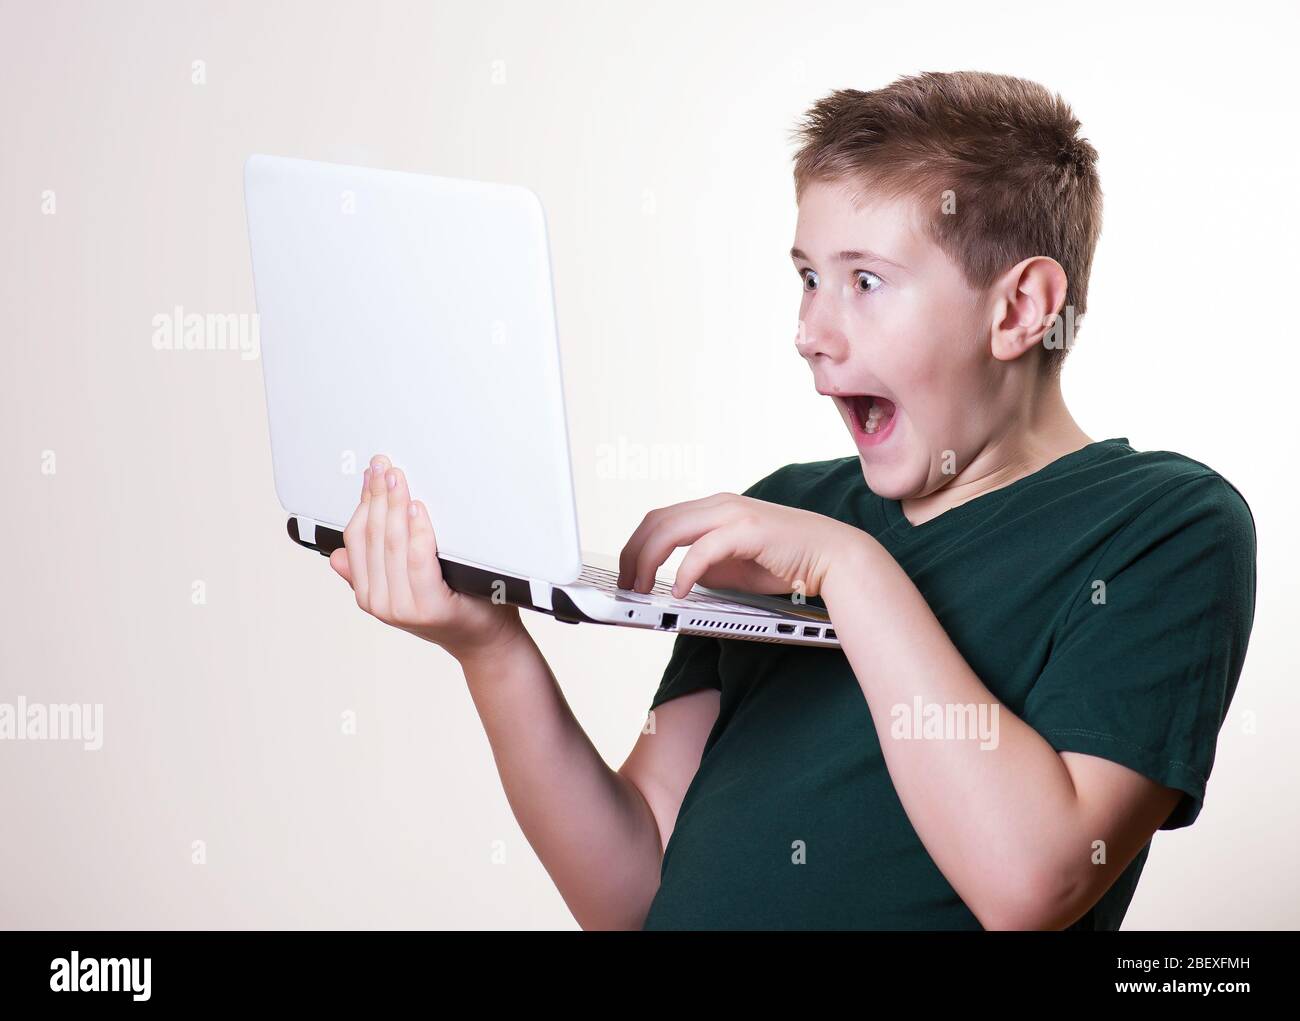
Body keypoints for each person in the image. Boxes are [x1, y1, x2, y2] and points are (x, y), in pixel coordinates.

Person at [328, 71, 1257, 930]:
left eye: (864, 281)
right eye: (808, 276)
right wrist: (488, 647)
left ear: (1018, 310)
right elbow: (635, 882)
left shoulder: (1163, 528)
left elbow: (1032, 881)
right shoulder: (790, 512)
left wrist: (847, 567)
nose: (810, 331)